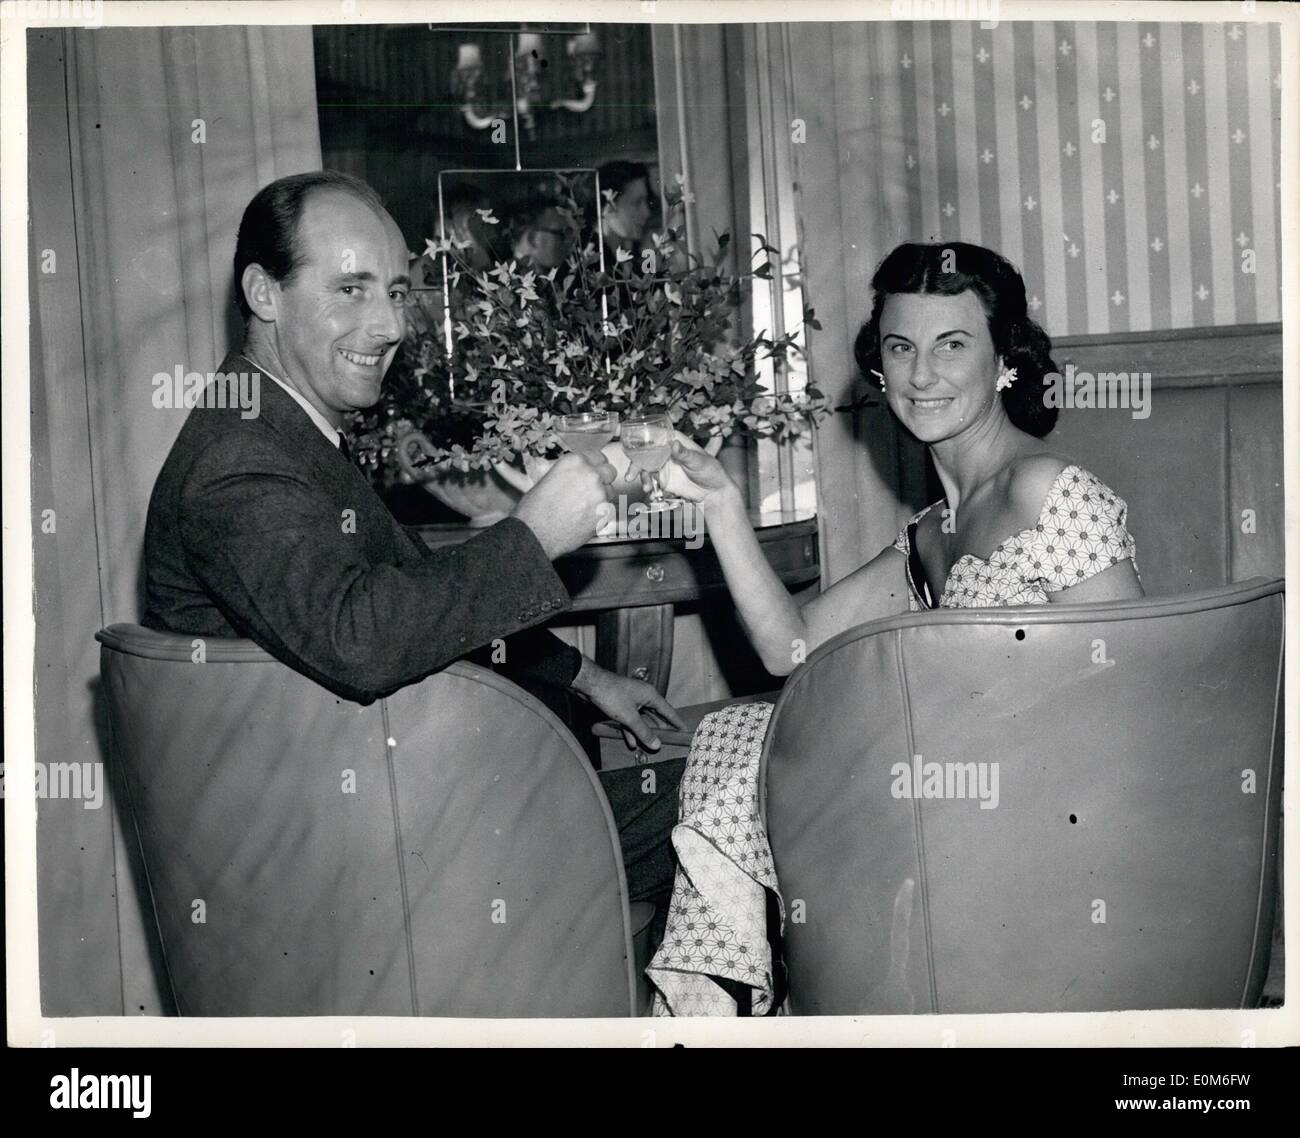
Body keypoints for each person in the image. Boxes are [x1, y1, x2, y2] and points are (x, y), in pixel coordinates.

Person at [142, 170, 686, 907]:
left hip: (393, 812)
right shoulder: (240, 460)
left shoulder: (281, 429)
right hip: (371, 856)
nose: (392, 326)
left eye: (396, 293)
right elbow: (359, 636)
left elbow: (403, 584)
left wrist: (585, 678)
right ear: (264, 293)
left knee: (716, 786)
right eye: (351, 290)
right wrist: (533, 534)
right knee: (740, 796)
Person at [644, 241, 1144, 1014]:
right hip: (955, 816)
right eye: (900, 348)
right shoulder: (933, 530)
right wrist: (719, 506)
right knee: (735, 734)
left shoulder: (1050, 491)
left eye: (952, 345)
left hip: (1048, 828)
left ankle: (735, 1010)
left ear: (1005, 358)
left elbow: (1142, 693)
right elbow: (790, 647)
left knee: (758, 752)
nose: (919, 375)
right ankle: (735, 1010)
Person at [597, 159, 653, 259]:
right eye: (637, 203)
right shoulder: (587, 262)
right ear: (609, 209)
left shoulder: (633, 254)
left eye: (646, 201)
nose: (647, 213)